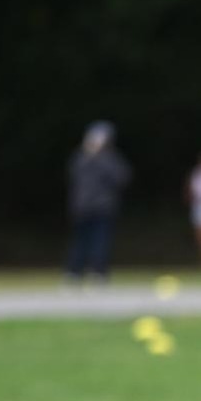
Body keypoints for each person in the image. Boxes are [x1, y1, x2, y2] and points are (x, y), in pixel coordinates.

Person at [64, 120, 132, 286]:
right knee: (80, 241)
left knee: (100, 241)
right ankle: (74, 273)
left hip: (103, 207)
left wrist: (100, 158)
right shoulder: (81, 157)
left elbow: (122, 177)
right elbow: (73, 176)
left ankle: (98, 273)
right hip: (82, 207)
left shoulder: (110, 158)